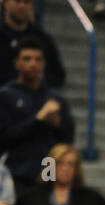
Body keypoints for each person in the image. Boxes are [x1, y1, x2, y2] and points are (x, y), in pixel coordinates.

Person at [0, 39, 74, 192]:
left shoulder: (56, 99)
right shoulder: (6, 95)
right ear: (16, 63)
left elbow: (67, 140)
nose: (33, 64)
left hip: (48, 173)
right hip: (15, 173)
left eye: (38, 59)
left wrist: (58, 124)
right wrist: (38, 119)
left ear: (44, 64)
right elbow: (4, 138)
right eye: (27, 59)